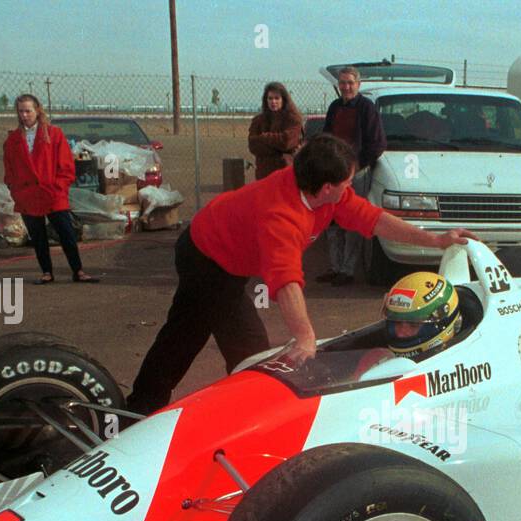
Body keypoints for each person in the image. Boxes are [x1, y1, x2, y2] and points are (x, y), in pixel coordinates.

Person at [126, 134, 474, 415]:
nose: (350, 187)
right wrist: (305, 336)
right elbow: (286, 282)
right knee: (249, 349)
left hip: (223, 251)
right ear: (325, 188)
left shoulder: (329, 194)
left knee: (184, 332)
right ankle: (254, 419)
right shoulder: (281, 216)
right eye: (348, 181)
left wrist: (436, 240)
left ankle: (139, 408)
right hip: (206, 256)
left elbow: (375, 219)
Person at [2, 94, 98, 284]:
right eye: (21, 111)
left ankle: (78, 271)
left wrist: (58, 188)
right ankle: (47, 272)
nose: (24, 115)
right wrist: (16, 191)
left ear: (37, 110)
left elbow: (67, 167)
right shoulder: (12, 140)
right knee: (38, 236)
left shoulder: (53, 134)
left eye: (28, 111)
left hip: (53, 194)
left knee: (66, 234)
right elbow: (9, 171)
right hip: (28, 196)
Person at [319, 66, 386, 285]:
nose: (346, 87)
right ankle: (335, 266)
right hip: (333, 172)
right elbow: (327, 137)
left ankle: (348, 270)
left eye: (350, 83)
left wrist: (356, 166)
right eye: (342, 83)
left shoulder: (367, 109)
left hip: (356, 173)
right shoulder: (335, 108)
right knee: (331, 220)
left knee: (350, 219)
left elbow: (377, 144)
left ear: (358, 85)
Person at [248, 82, 303, 180]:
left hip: (285, 174)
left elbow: (287, 142)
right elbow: (253, 145)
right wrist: (279, 149)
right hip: (264, 175)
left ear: (283, 100)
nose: (273, 101)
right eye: (270, 98)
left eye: (277, 98)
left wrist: (264, 137)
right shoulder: (258, 121)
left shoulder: (293, 119)